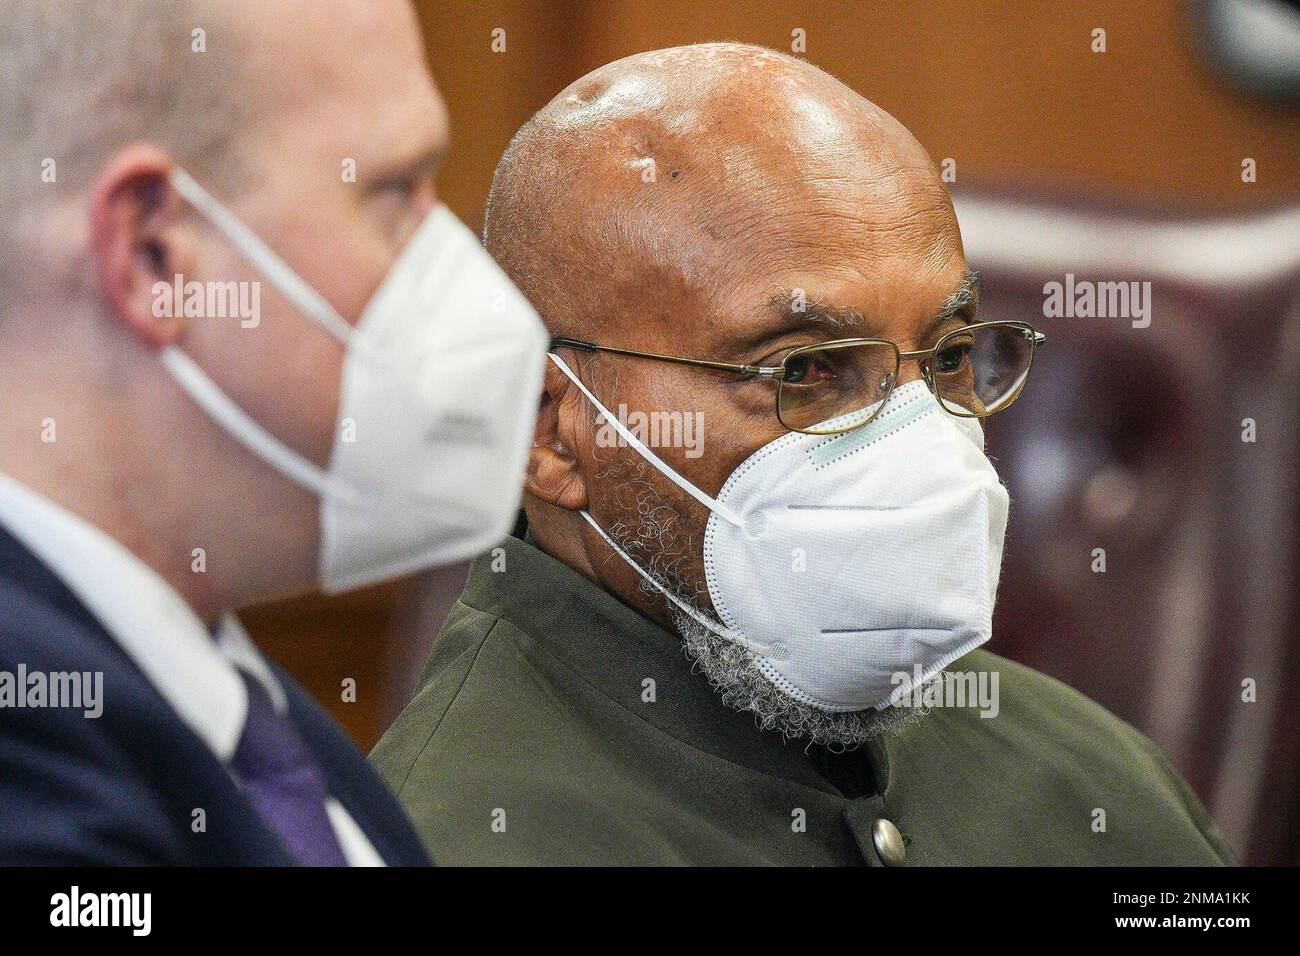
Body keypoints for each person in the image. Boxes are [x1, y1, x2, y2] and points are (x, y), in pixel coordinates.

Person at [372, 44, 1236, 866]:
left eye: (946, 357)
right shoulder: (456, 836)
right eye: (806, 369)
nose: (916, 438)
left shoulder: (1097, 781)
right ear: (550, 430)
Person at [0, 0, 546, 865]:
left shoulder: (239, 712)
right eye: (395, 192)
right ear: (156, 253)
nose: (462, 271)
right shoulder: (32, 782)